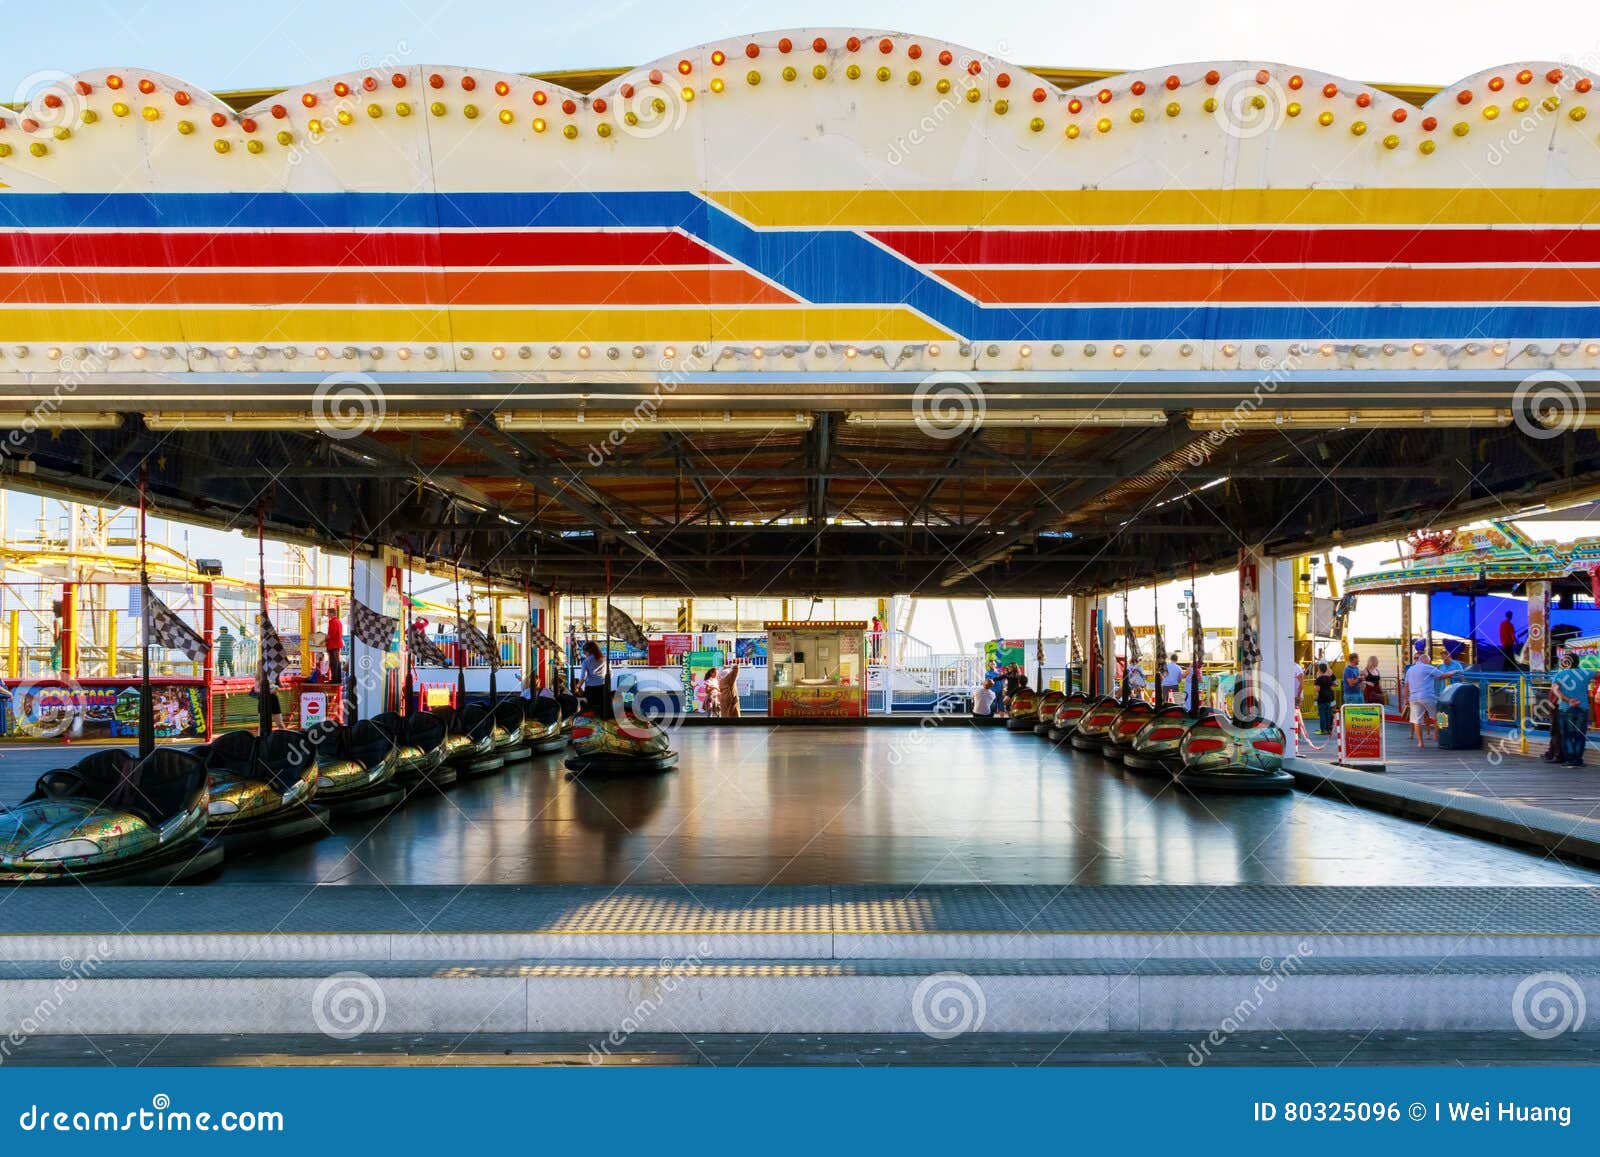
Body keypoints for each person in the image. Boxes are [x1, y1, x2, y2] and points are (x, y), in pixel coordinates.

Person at [1552, 653, 1594, 767]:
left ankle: (1570, 760)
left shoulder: (1560, 674)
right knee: (1580, 735)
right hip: (1582, 708)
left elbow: (1555, 690)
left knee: (1567, 735)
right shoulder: (1586, 673)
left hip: (1565, 708)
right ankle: (1578, 761)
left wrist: (1568, 700)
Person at [1403, 652, 1440, 747]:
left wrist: (1406, 699)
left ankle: (1420, 742)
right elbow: (1441, 675)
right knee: (1439, 716)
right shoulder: (1427, 667)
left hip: (1414, 698)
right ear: (1426, 660)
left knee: (1416, 720)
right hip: (1427, 696)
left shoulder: (1410, 670)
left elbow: (1406, 686)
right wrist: (1453, 673)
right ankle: (1438, 737)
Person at [578, 640, 607, 714]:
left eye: (585, 652)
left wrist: (577, 687)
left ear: (589, 651)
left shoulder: (586, 661)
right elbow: (610, 673)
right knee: (602, 708)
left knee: (590, 710)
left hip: (591, 689)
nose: (585, 654)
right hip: (603, 688)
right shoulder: (604, 659)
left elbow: (583, 677)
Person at [1313, 661, 1335, 735]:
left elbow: (1317, 689)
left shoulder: (1318, 679)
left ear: (1319, 670)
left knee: (1322, 715)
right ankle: (1328, 729)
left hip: (1321, 698)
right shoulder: (1329, 678)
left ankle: (1323, 730)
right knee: (1328, 714)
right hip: (1328, 698)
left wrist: (1315, 688)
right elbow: (1332, 687)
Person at [325, 604, 345, 687]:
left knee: (334, 662)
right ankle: (338, 678)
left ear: (332, 613)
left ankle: (334, 679)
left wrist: (325, 638)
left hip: (333, 645)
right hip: (337, 644)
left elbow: (331, 633)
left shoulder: (333, 622)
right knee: (337, 662)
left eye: (328, 613)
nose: (327, 615)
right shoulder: (338, 621)